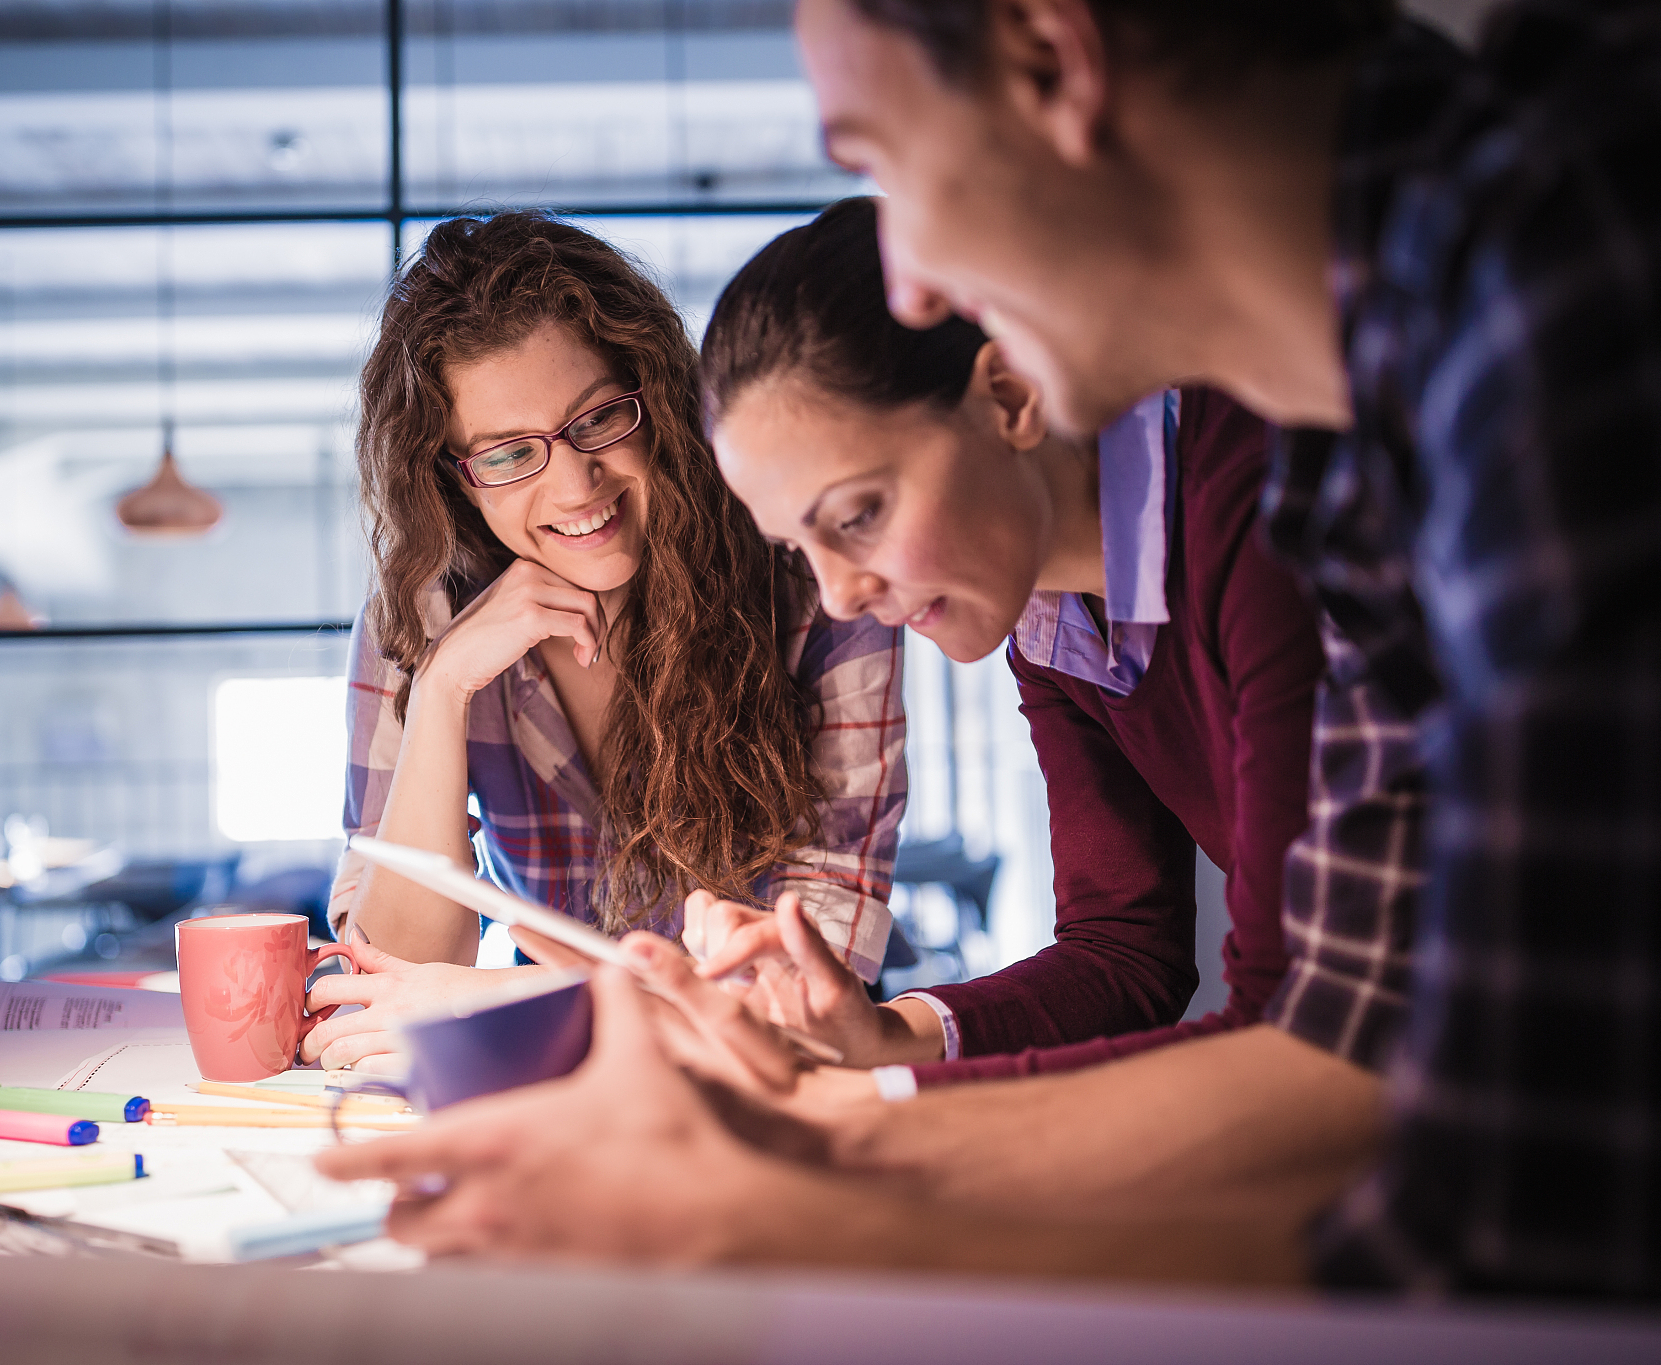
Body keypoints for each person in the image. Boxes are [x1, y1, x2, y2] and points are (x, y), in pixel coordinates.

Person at [323, 0, 1661, 1301]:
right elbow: (1356, 1047)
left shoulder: (1549, 279)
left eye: (879, 164)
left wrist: (803, 1190)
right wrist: (821, 1136)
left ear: (1048, 54)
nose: (910, 283)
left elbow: (1483, 1175)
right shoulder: (1353, 426)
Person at [683, 195, 1331, 1089]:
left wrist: (881, 1120)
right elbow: (1125, 950)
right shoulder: (1052, 623)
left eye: (859, 515)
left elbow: (1290, 1021)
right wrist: (878, 1037)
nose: (841, 597)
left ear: (1009, 395)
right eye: (801, 548)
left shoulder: (1253, 506)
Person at [305, 212, 906, 1071]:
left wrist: (526, 996)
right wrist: (442, 689)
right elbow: (395, 969)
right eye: (511, 454)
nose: (577, 481)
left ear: (654, 398)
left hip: (778, 1093)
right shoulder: (422, 610)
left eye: (599, 419)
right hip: (549, 1077)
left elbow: (810, 990)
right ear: (454, 478)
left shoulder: (815, 580)